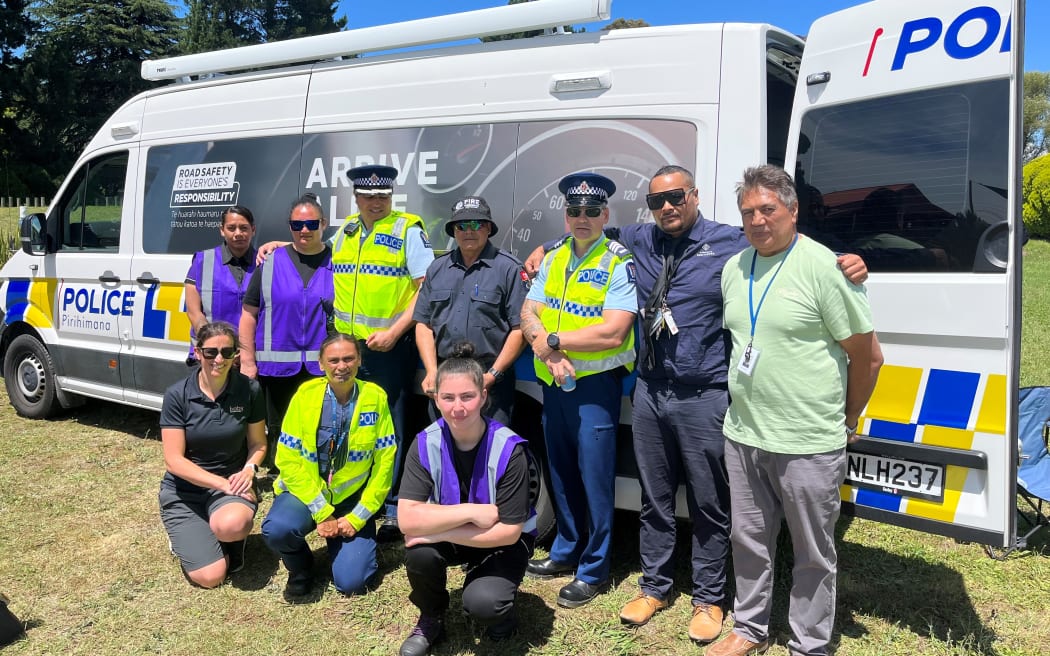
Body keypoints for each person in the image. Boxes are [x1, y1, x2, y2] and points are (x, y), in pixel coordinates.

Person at [524, 166, 867, 641]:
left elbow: (782, 240)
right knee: (655, 498)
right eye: (657, 200)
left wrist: (848, 260)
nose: (667, 206)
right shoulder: (639, 239)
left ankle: (709, 598)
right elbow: (588, 228)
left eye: (677, 197)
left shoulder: (731, 239)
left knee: (709, 503)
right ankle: (654, 585)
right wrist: (542, 247)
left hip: (705, 395)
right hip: (650, 391)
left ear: (694, 196)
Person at [707, 165, 882, 656]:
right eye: (748, 212)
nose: (758, 220)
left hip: (808, 440)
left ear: (793, 210)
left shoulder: (827, 268)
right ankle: (749, 628)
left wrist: (846, 421)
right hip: (743, 434)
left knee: (812, 553)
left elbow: (868, 357)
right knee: (749, 541)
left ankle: (808, 643)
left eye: (768, 209)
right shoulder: (734, 268)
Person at [519, 172, 637, 608]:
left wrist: (552, 341)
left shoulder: (616, 260)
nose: (582, 217)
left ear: (605, 214)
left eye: (591, 211)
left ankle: (594, 568)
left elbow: (613, 332)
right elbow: (529, 310)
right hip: (554, 382)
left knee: (595, 479)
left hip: (594, 387)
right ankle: (566, 549)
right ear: (565, 215)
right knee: (562, 472)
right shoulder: (553, 257)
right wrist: (546, 349)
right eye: (574, 211)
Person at [396, 342, 536, 656]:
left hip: (501, 541)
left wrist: (435, 530)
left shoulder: (510, 449)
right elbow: (406, 519)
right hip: (468, 527)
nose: (458, 407)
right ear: (436, 398)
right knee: (421, 554)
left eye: (467, 396)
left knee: (484, 604)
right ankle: (431, 617)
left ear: (484, 397)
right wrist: (471, 511)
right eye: (447, 397)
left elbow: (510, 531)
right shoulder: (425, 443)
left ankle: (498, 608)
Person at [332, 165, 435, 529]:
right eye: (368, 196)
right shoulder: (346, 230)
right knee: (353, 421)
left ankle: (391, 505)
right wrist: (278, 244)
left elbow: (427, 286)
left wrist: (394, 331)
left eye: (382, 196)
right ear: (356, 198)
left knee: (390, 425)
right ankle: (357, 492)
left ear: (390, 197)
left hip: (388, 347)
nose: (375, 203)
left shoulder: (407, 229)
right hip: (348, 349)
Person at [261, 333, 397, 597]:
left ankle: (351, 553)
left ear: (359, 360)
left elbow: (384, 462)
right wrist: (321, 511)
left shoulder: (375, 397)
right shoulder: (305, 395)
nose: (341, 366)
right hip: (306, 492)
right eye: (333, 360)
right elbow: (287, 459)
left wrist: (359, 516)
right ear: (321, 364)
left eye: (348, 358)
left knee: (353, 583)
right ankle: (300, 568)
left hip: (351, 499)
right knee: (278, 530)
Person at [159, 321, 266, 588]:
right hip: (186, 491)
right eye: (211, 352)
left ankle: (225, 536)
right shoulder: (177, 395)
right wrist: (224, 484)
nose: (219, 359)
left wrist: (249, 470)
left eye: (227, 352)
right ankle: (187, 535)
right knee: (211, 578)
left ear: (236, 355)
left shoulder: (249, 390)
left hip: (231, 486)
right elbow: (174, 460)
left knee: (233, 524)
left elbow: (258, 444)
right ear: (198, 353)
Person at [414, 196, 529, 426]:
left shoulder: (509, 268)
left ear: (488, 228)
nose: (469, 231)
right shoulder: (438, 268)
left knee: (491, 450)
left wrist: (492, 375)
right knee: (446, 448)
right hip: (446, 374)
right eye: (461, 226)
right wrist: (431, 371)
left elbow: (520, 329)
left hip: (489, 377)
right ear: (454, 231)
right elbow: (423, 324)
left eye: (476, 224)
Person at [239, 194, 334, 469]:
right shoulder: (269, 262)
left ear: (323, 224)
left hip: (320, 367)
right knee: (280, 428)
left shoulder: (339, 262)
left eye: (311, 223)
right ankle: (285, 477)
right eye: (297, 225)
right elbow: (248, 314)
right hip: (276, 369)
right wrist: (247, 361)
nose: (304, 230)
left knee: (318, 427)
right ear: (289, 226)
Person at [184, 205, 258, 363]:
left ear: (253, 229)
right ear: (222, 230)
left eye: (244, 228)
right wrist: (216, 346)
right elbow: (194, 312)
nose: (238, 233)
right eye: (231, 228)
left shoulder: (265, 262)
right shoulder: (202, 261)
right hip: (212, 357)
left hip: (252, 357)